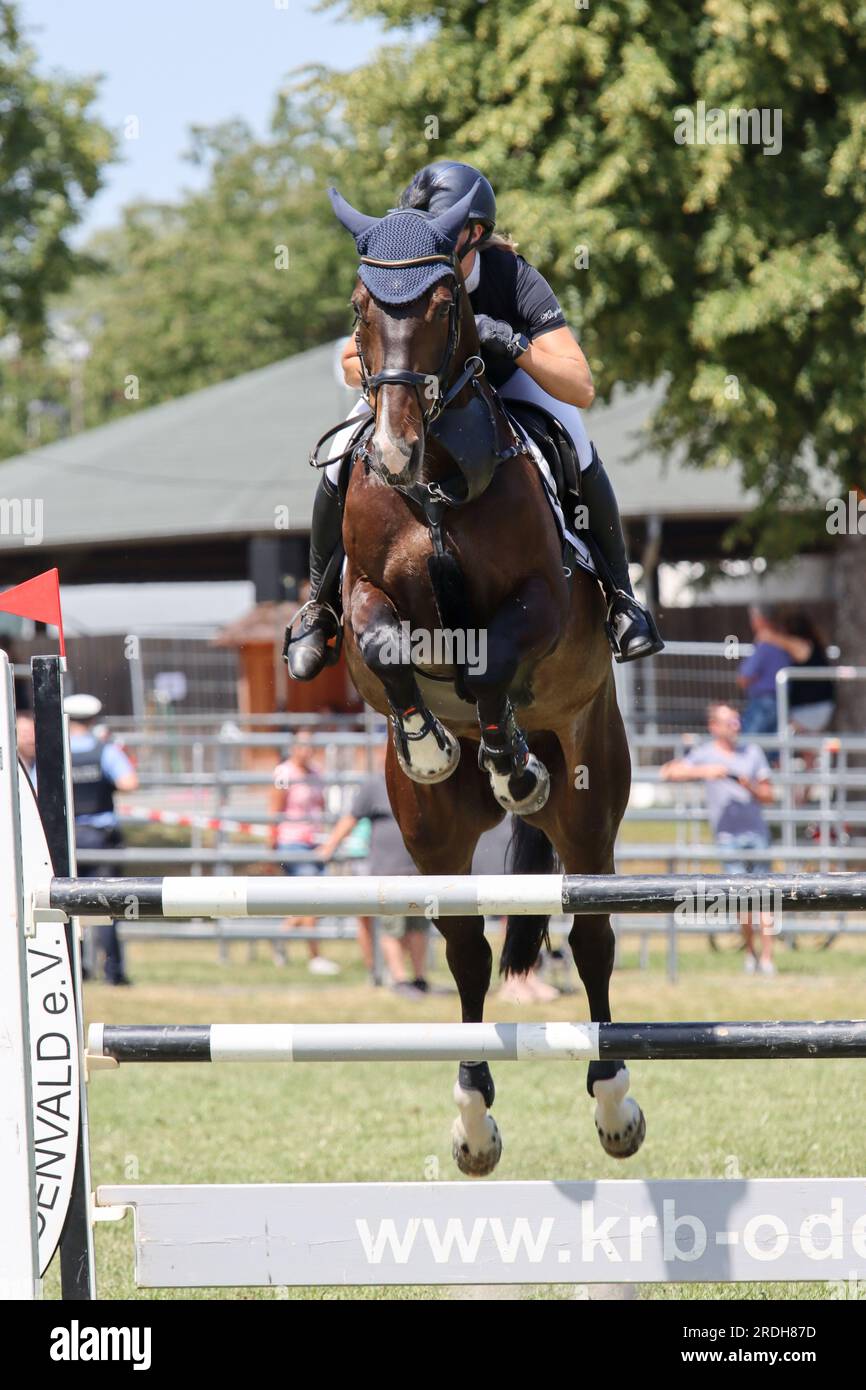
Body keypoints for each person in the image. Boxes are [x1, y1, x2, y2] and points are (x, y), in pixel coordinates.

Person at [287, 159, 663, 680]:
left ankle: (622, 600)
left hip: (509, 386)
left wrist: (514, 345)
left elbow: (580, 384)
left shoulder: (511, 276)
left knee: (578, 441)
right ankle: (319, 606)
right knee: (340, 459)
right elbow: (353, 362)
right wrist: (385, 375)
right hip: (417, 393)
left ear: (474, 233)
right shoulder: (404, 272)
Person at [660, 703, 776, 975]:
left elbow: (770, 795)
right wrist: (708, 772)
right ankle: (750, 953)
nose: (735, 726)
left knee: (767, 899)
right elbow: (668, 772)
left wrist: (751, 786)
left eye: (736, 721)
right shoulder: (705, 755)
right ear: (714, 727)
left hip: (757, 834)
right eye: (729, 722)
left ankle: (769, 959)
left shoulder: (752, 752)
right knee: (743, 900)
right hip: (727, 838)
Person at [317, 744, 432, 997]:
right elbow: (351, 818)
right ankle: (400, 979)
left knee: (418, 928)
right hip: (388, 872)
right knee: (393, 928)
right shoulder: (374, 786)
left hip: (418, 870)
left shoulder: (422, 783)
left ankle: (420, 979)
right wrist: (329, 847)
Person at [65, 693, 138, 986]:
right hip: (101, 838)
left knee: (67, 904)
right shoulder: (105, 750)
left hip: (67, 839)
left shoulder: (57, 752)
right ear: (94, 718)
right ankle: (113, 971)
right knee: (108, 904)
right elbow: (129, 783)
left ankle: (74, 971)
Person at [270, 731, 340, 975]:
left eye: (310, 745)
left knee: (320, 900)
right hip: (292, 843)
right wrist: (271, 846)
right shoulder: (283, 773)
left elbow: (321, 806)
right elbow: (275, 810)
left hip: (315, 843)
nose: (307, 750)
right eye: (302, 745)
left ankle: (281, 934)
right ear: (293, 748)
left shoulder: (317, 773)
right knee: (311, 897)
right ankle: (315, 957)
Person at [737, 605, 790, 736]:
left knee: (748, 744)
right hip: (781, 701)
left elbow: (744, 677)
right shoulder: (783, 642)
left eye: (753, 618)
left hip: (763, 703)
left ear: (761, 619)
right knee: (771, 748)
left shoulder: (765, 644)